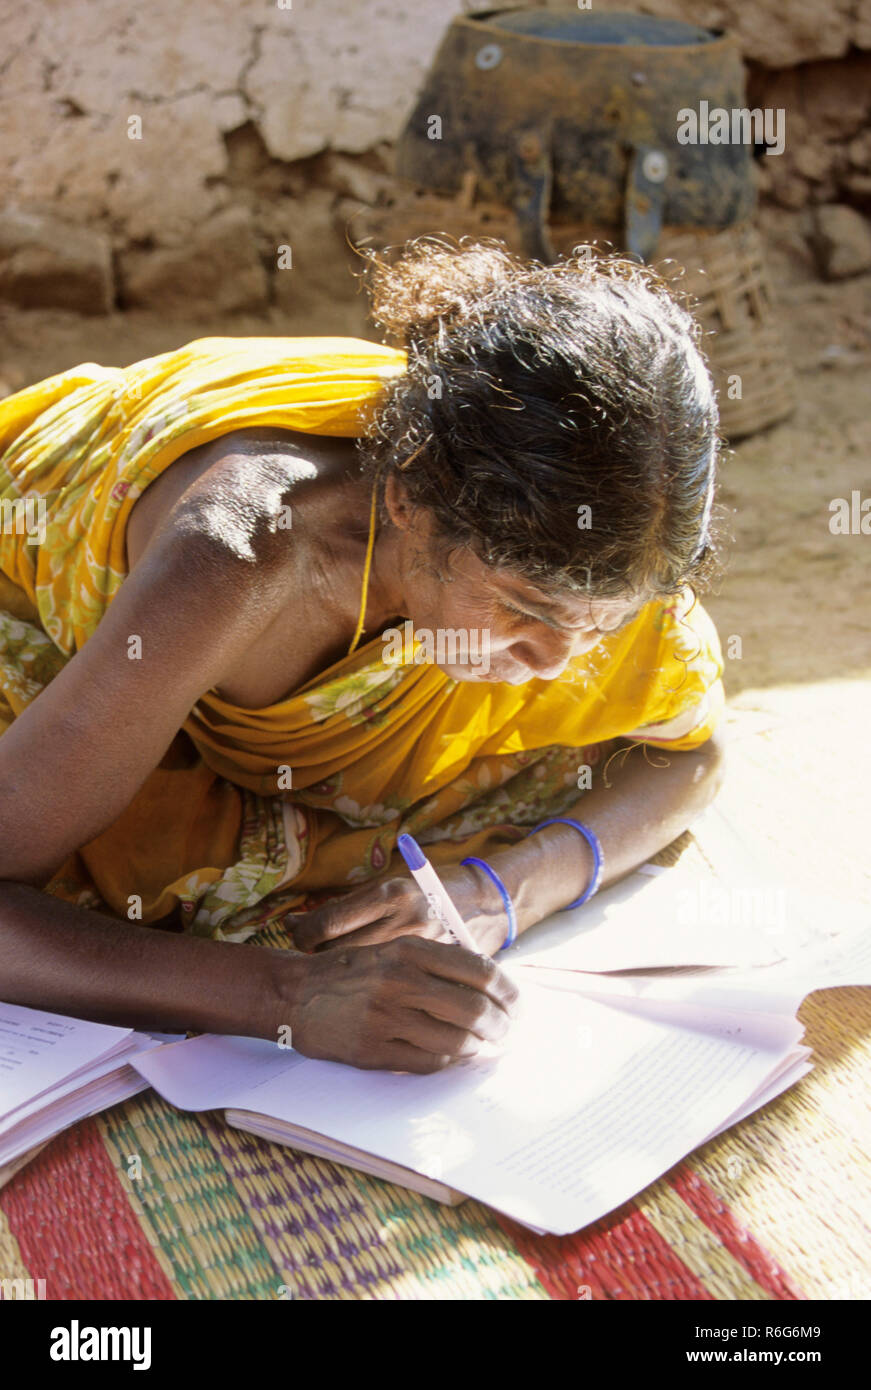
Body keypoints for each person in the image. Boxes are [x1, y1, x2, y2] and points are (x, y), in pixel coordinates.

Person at [0, 237, 726, 1073]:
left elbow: (691, 754)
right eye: (525, 610)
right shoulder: (243, 555)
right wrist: (287, 997)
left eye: (602, 624)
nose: (559, 662)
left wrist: (497, 895)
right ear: (407, 496)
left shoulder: (599, 540)